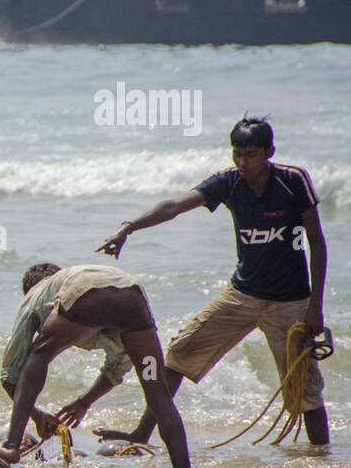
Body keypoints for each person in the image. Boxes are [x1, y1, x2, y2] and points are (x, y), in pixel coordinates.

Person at [95, 116, 329, 446]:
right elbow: (175, 206)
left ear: (269, 152)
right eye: (237, 154)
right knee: (179, 352)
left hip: (290, 303)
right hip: (242, 295)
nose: (243, 162)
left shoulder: (293, 181)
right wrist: (129, 227)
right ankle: (142, 434)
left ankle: (322, 458)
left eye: (251, 154)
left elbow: (316, 243)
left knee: (305, 390)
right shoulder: (228, 182)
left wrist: (315, 309)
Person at [0, 263, 191, 468]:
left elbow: (10, 374)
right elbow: (117, 367)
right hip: (132, 298)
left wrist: (37, 416)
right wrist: (83, 403)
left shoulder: (36, 294)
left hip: (87, 294)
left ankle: (11, 447)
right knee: (157, 392)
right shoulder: (70, 277)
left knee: (39, 354)